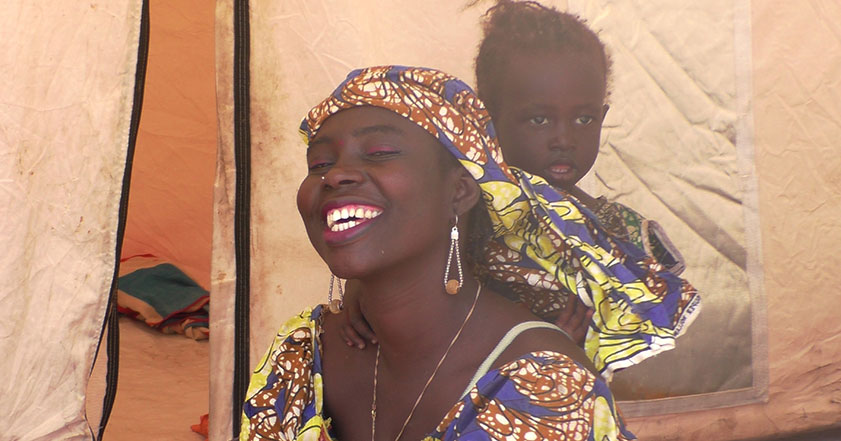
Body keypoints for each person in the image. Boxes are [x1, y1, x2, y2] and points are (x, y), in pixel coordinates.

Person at [240, 65, 636, 440]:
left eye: (379, 152)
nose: (336, 174)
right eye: (319, 162)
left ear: (460, 192)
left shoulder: (546, 385)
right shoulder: (301, 355)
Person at [340, 0, 696, 371]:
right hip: (457, 393)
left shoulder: (609, 233)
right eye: (539, 119)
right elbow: (399, 262)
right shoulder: (462, 204)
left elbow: (615, 336)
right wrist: (361, 287)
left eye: (584, 118)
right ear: (487, 118)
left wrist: (569, 351)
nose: (564, 138)